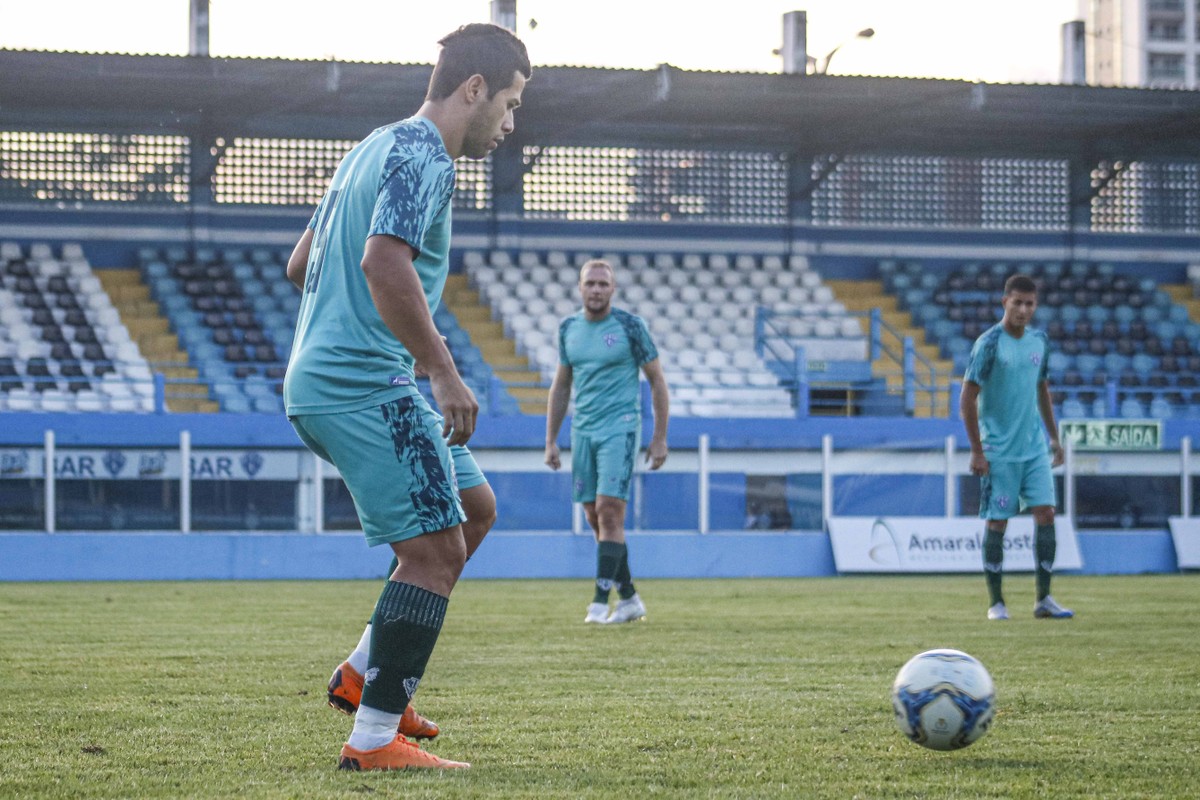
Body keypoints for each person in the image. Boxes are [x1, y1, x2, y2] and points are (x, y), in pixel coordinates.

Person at [282, 23, 530, 771]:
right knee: (433, 554)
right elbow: (381, 260)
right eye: (511, 103)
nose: (511, 124)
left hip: (339, 375)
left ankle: (364, 675)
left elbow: (303, 264)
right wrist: (440, 367)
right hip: (362, 384)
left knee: (475, 512)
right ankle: (373, 740)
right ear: (475, 88)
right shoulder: (428, 156)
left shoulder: (373, 144)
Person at [544, 259, 669, 624]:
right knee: (593, 516)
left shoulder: (631, 327)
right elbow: (562, 385)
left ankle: (599, 602)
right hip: (583, 431)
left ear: (613, 289)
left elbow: (657, 381)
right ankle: (628, 597)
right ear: (580, 288)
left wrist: (659, 438)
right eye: (590, 283)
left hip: (621, 428)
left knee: (610, 511)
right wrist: (551, 439)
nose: (596, 289)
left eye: (603, 284)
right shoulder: (568, 328)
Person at [960, 273, 1074, 622]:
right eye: (1017, 302)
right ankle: (996, 603)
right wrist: (977, 450)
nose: (1023, 309)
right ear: (1004, 302)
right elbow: (967, 398)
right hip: (999, 451)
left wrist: (1054, 437)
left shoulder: (1039, 342)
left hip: (1034, 448)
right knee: (998, 522)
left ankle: (1044, 599)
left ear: (1035, 306)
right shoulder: (989, 343)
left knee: (1047, 513)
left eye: (1029, 304)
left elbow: (1042, 390)